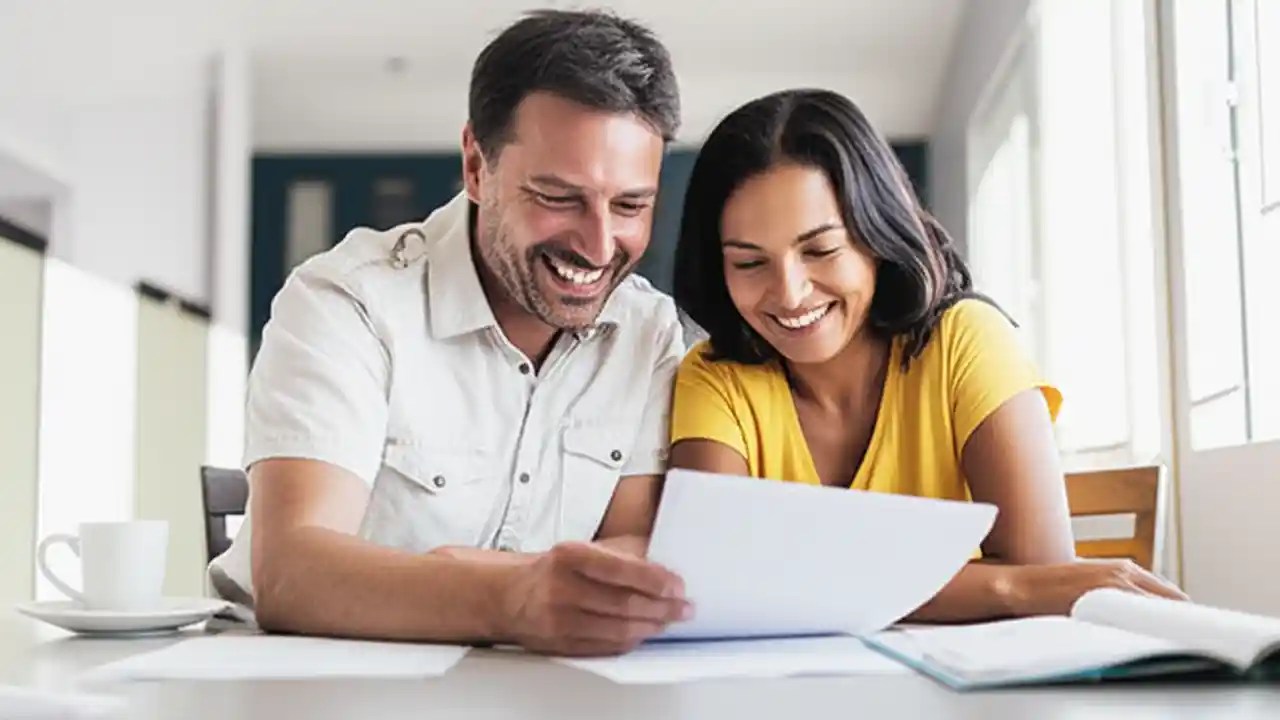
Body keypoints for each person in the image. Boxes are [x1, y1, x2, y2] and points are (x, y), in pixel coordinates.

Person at [208, 10, 693, 657]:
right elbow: (293, 572)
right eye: (557, 196)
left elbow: (636, 556)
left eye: (631, 205)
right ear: (476, 165)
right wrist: (512, 597)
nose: (600, 245)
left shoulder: (648, 331)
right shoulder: (347, 301)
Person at [668, 88, 1187, 621]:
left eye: (821, 250)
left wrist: (797, 578)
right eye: (750, 264)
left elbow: (1046, 577)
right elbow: (717, 576)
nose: (790, 292)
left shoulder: (966, 341)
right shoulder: (713, 378)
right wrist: (1002, 587)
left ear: (876, 234)